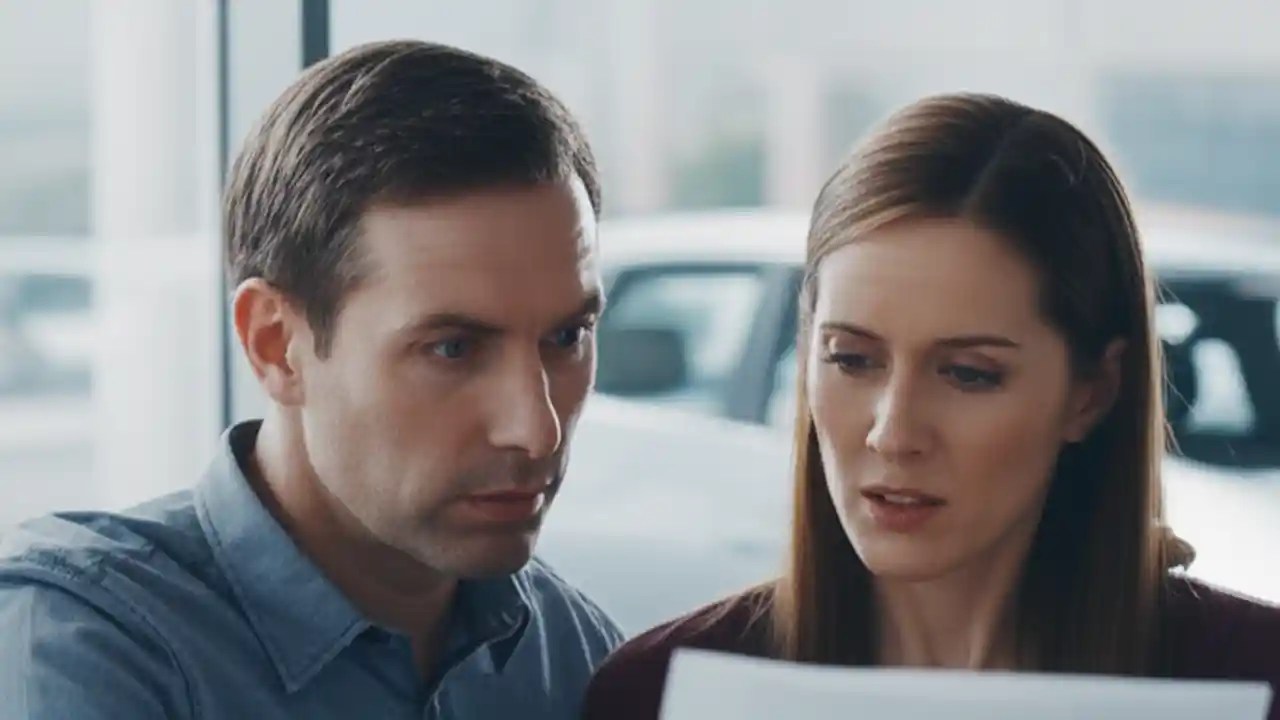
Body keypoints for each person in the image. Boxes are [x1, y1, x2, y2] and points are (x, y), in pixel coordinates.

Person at [581, 93, 1280, 719]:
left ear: (1091, 392)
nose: (894, 432)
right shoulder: (657, 694)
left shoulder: (1254, 681)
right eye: (852, 360)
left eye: (969, 374)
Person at [0, 40, 622, 719]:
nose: (536, 429)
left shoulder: (578, 657)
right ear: (276, 344)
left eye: (566, 338)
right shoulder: (85, 646)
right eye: (452, 349)